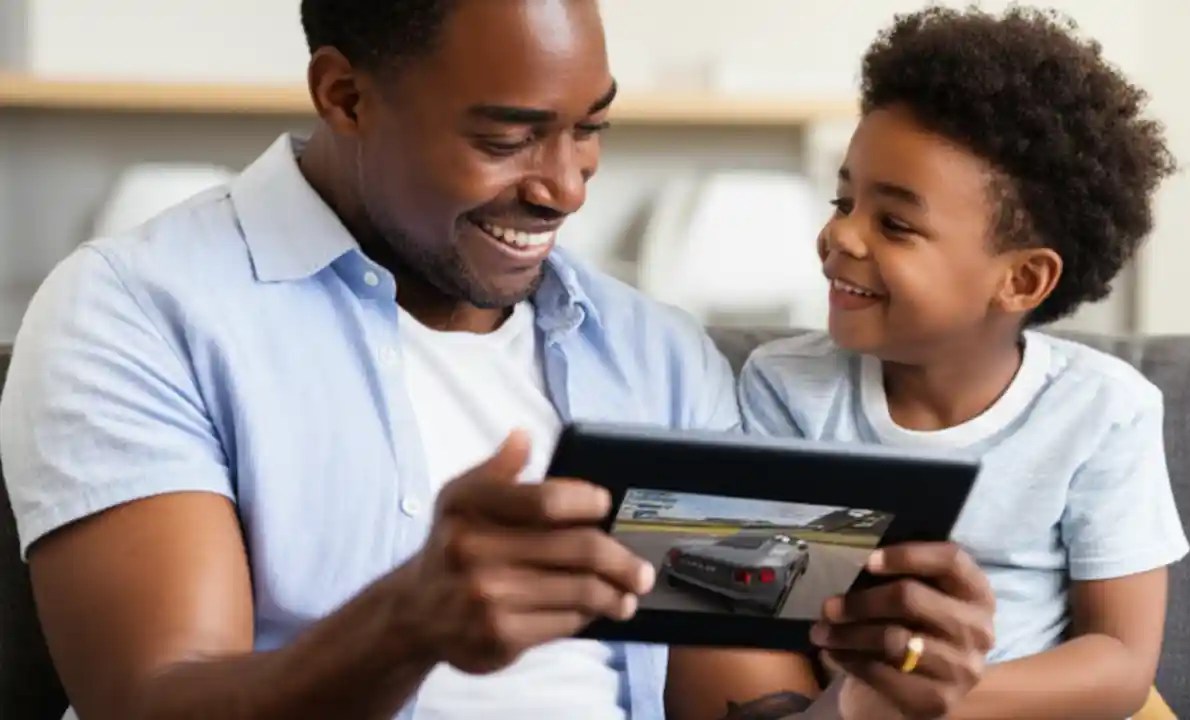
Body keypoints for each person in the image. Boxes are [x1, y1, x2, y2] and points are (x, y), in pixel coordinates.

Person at [0, 1, 996, 719]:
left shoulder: (654, 357)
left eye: (591, 129)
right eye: (507, 137)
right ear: (345, 95)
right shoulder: (139, 312)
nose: (564, 187)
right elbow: (150, 699)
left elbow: (732, 703)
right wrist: (405, 626)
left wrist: (868, 698)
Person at [739, 6, 1188, 719]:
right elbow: (771, 605)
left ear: (1020, 281)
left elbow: (1121, 659)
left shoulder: (1106, 410)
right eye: (843, 198)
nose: (839, 235)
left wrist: (938, 701)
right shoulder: (785, 388)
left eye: (895, 223)